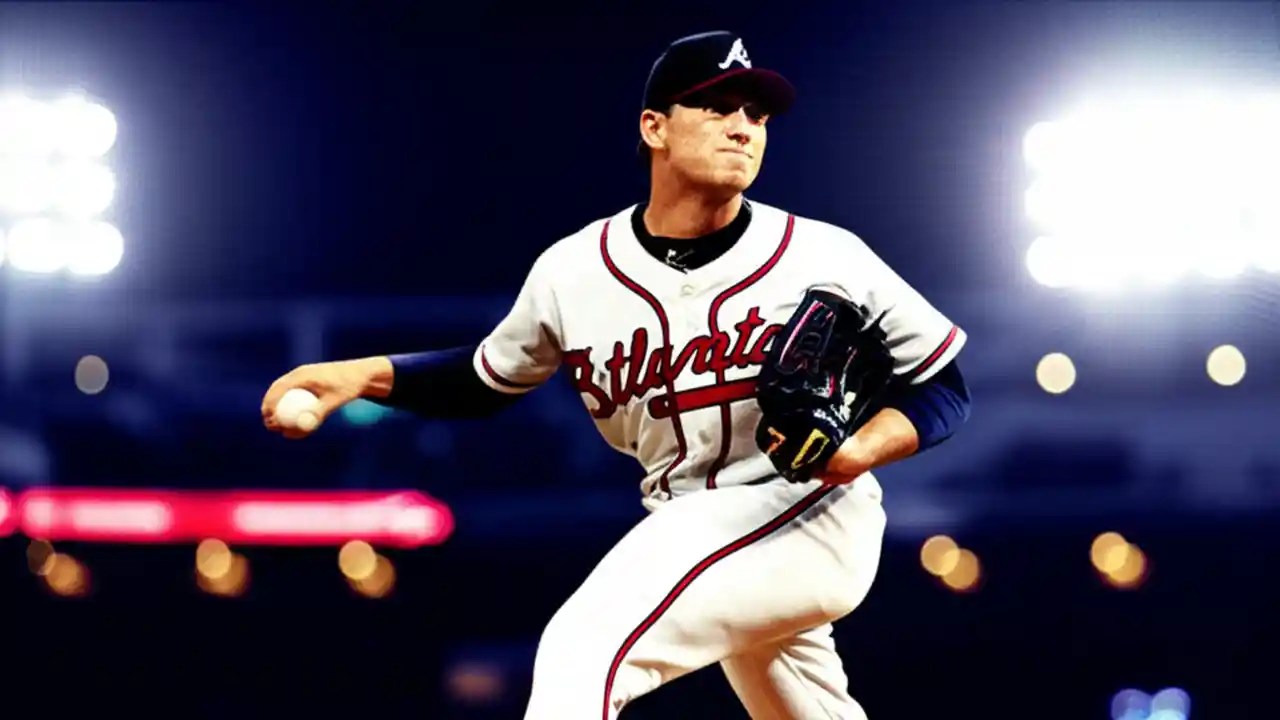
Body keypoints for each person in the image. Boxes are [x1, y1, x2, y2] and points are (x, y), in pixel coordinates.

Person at [261, 30, 972, 720]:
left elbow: (944, 385)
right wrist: (360, 375)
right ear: (655, 127)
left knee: (586, 649)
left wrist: (861, 449)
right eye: (718, 107)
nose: (743, 127)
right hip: (691, 521)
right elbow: (486, 379)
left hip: (806, 511)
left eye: (756, 114)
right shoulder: (575, 269)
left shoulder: (823, 254)